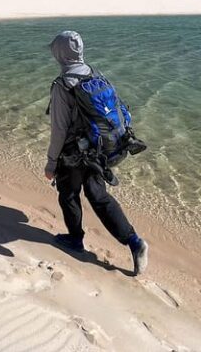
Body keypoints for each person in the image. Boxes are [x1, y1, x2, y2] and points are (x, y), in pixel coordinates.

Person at [45, 30, 149, 275]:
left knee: (68, 194)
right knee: (98, 196)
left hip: (73, 152)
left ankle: (75, 239)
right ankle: (134, 242)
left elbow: (58, 129)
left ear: (60, 53)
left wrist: (51, 164)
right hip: (97, 150)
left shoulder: (62, 85)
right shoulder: (95, 74)